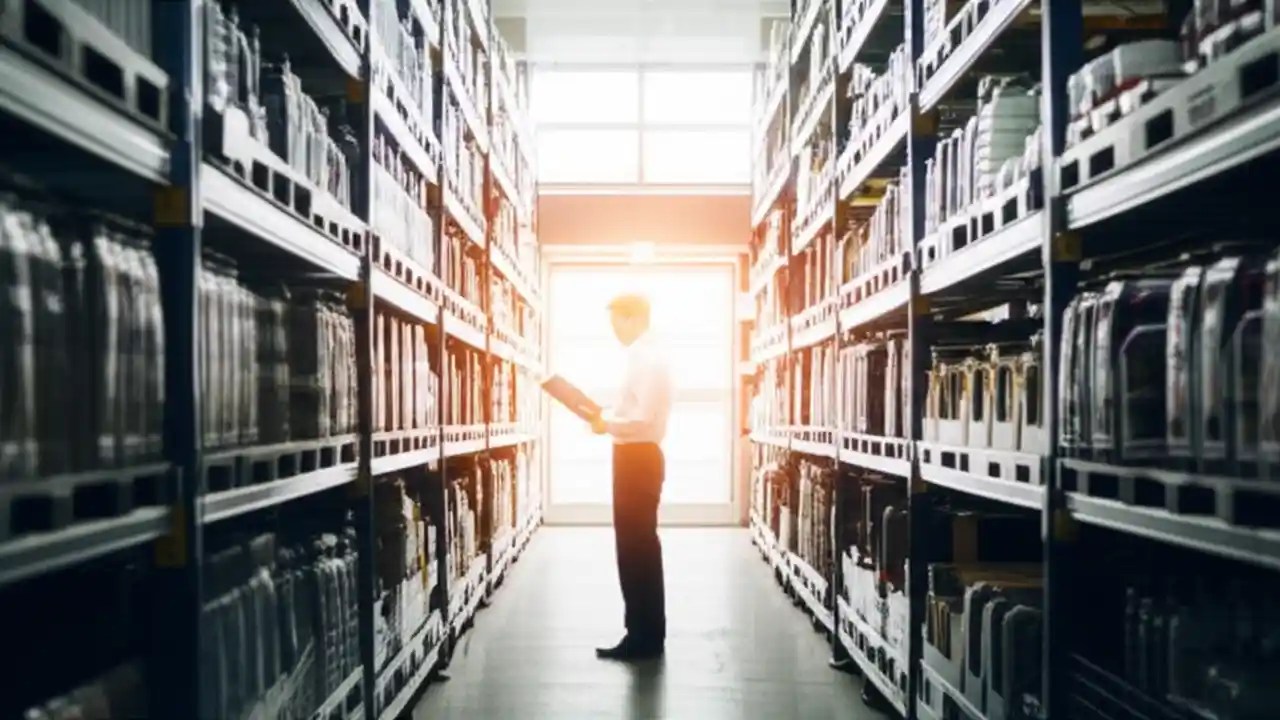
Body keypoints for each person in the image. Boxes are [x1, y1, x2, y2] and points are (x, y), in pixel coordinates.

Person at [589, 292, 673, 661]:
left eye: (616, 323)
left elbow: (642, 418)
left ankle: (644, 637)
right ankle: (642, 633)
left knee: (637, 549)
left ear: (634, 318)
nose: (614, 332)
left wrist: (605, 423)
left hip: (638, 459)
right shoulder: (645, 355)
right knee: (635, 547)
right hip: (633, 456)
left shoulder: (647, 358)